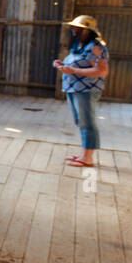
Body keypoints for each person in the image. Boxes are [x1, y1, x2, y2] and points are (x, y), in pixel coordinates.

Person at [53, 15, 109, 167]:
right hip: (74, 89)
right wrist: (63, 64)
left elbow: (101, 71)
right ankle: (84, 154)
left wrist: (73, 70)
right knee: (81, 121)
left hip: (87, 90)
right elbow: (79, 63)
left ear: (86, 30)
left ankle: (88, 158)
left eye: (76, 27)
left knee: (87, 122)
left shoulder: (96, 47)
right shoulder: (80, 45)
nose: (73, 29)